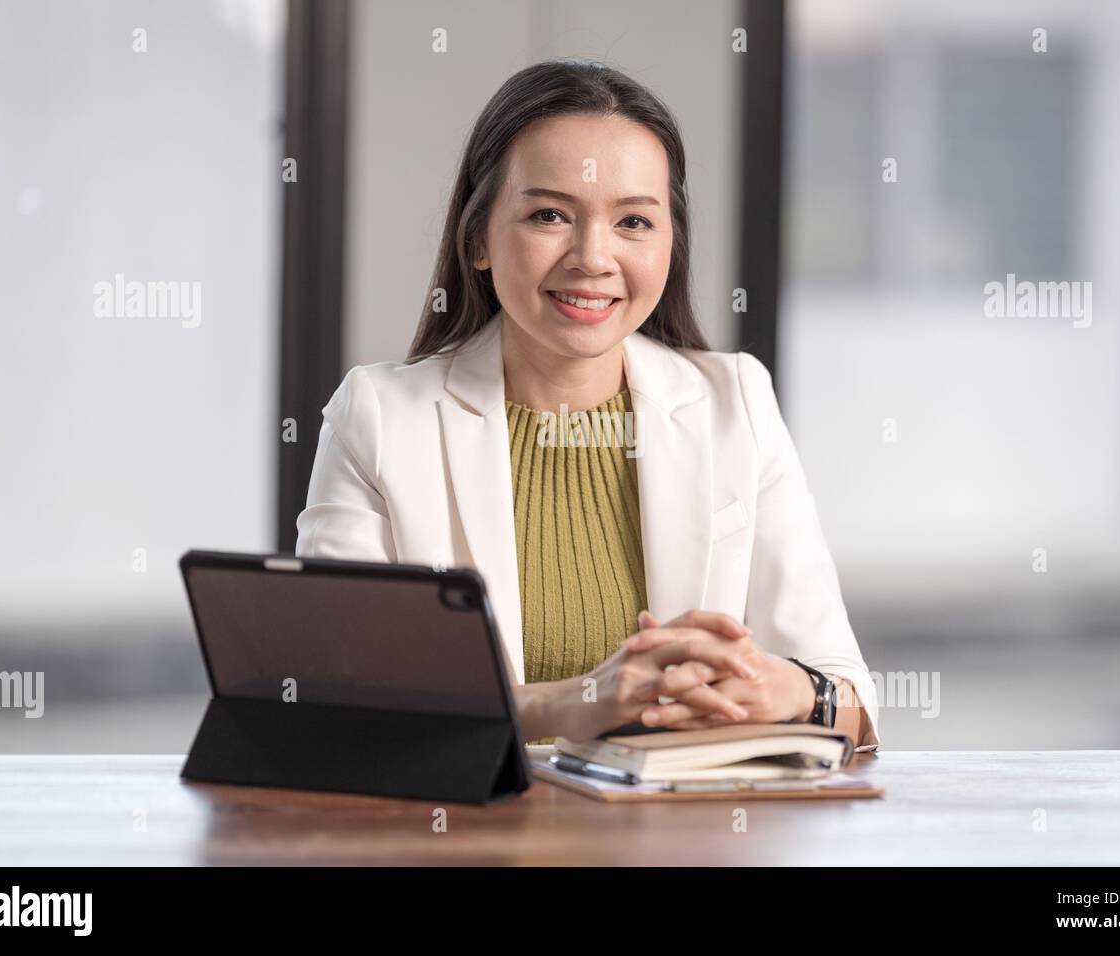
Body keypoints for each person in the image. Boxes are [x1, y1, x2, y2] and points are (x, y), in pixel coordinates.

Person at [296, 58, 880, 750]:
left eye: (634, 222)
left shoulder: (737, 403)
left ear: (670, 244)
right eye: (549, 215)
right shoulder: (381, 417)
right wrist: (565, 706)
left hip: (678, 845)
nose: (593, 258)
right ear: (479, 237)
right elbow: (332, 703)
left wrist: (779, 688)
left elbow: (853, 702)